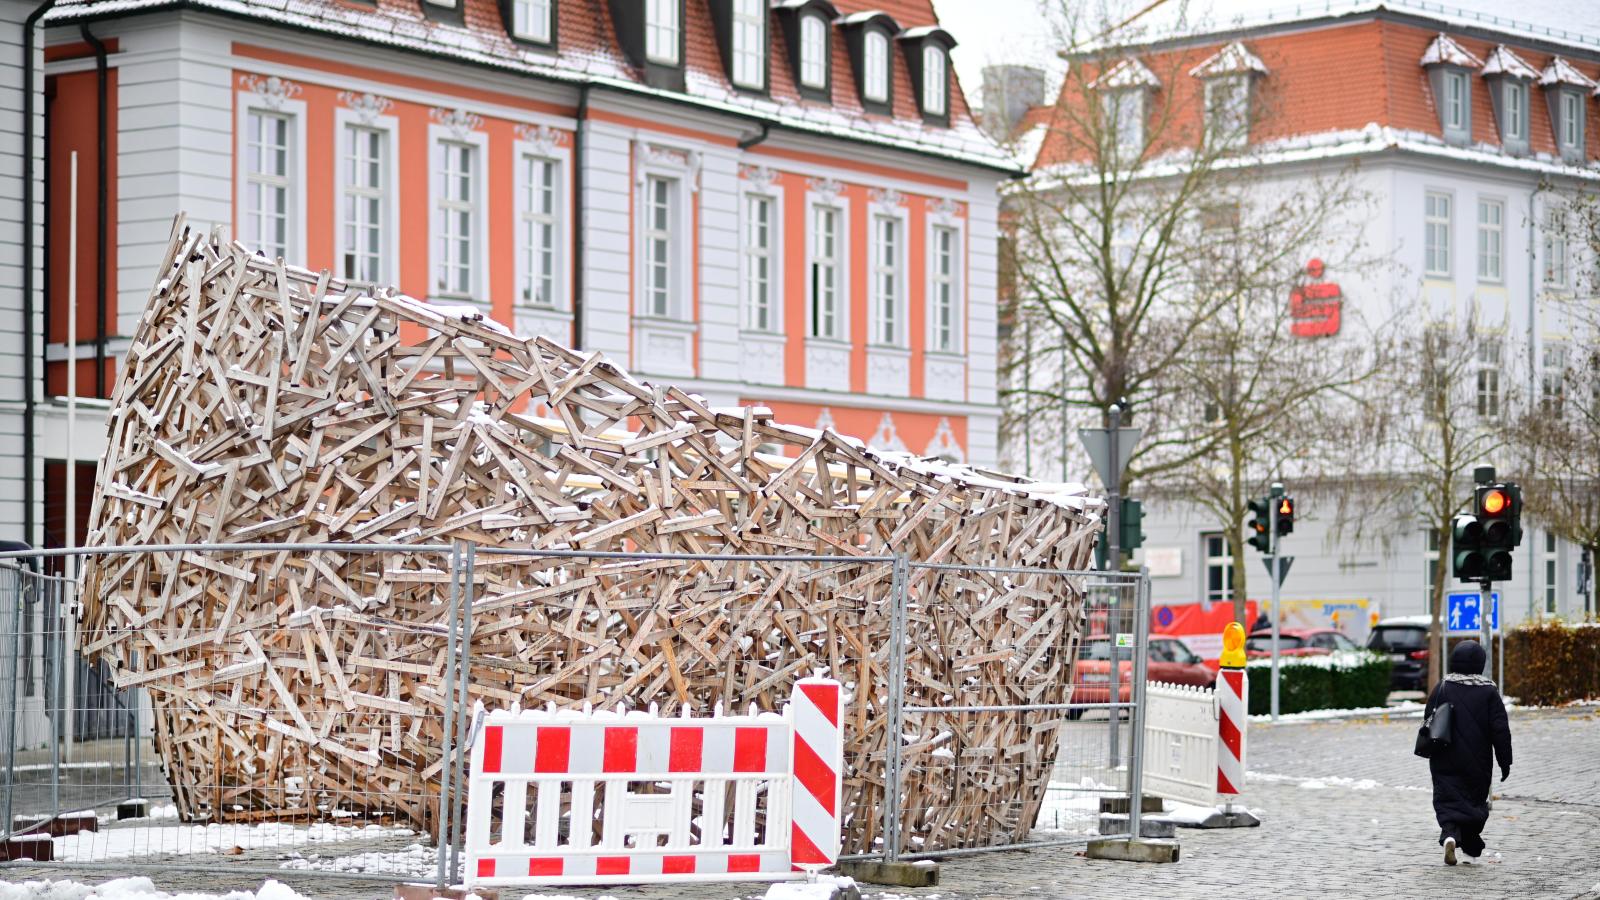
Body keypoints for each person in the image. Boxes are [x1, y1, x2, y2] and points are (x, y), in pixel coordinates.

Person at [1424, 640, 1512, 866]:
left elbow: (1429, 718)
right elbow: (1500, 729)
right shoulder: (1489, 692)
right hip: (1478, 761)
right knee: (1474, 802)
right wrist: (1505, 761)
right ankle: (1471, 850)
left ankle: (1450, 835)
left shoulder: (1443, 686)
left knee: (1447, 798)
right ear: (1481, 664)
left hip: (1444, 755)